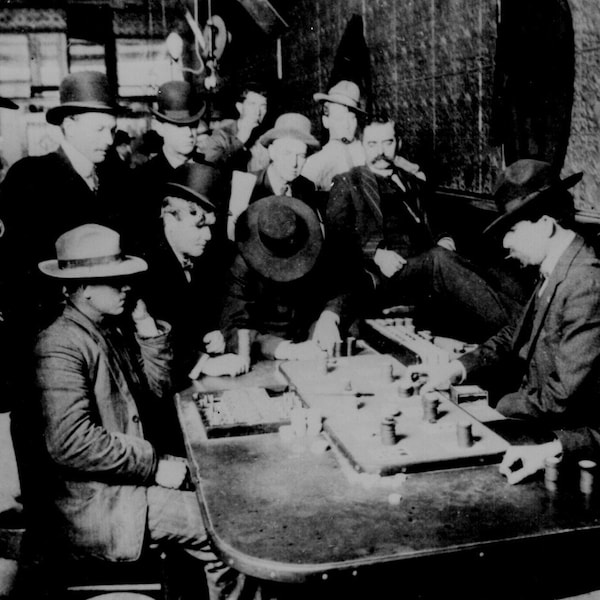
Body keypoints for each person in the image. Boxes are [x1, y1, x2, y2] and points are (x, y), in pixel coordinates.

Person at [11, 224, 251, 600]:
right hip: (94, 504)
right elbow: (71, 444)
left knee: (225, 496)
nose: (127, 287)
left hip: (123, 486)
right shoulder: (59, 345)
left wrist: (145, 326)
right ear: (83, 288)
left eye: (126, 278)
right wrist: (155, 465)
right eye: (115, 280)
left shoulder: (105, 329)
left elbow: (156, 390)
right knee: (227, 530)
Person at [417, 159, 600, 485]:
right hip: (538, 421)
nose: (505, 243)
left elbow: (561, 401)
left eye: (512, 230)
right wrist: (456, 368)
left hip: (566, 445)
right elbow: (515, 333)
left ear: (545, 225)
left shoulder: (585, 282)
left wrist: (496, 407)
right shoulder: (555, 266)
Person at [326, 112, 521, 342]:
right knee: (438, 260)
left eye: (387, 142)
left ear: (398, 142)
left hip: (425, 270)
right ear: (363, 146)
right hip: (384, 276)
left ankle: (531, 317)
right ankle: (521, 332)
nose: (380, 151)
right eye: (372, 144)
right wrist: (375, 253)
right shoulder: (348, 183)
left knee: (491, 267)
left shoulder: (413, 182)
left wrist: (445, 238)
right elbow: (337, 237)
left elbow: (438, 224)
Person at [0, 71, 133, 405]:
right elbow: (17, 269)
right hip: (46, 341)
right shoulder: (31, 177)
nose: (108, 139)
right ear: (69, 125)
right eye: (99, 129)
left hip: (105, 339)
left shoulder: (116, 180)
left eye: (112, 129)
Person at [141, 162, 249, 389]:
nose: (208, 236)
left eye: (210, 227)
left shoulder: (205, 260)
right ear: (170, 220)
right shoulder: (146, 268)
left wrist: (215, 336)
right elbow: (149, 342)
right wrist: (204, 362)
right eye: (199, 226)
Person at [221, 195, 347, 361]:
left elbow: (342, 288)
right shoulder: (242, 266)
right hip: (267, 358)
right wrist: (284, 349)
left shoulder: (310, 248)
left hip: (313, 347)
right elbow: (232, 330)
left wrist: (329, 317)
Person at [302, 80, 424, 191]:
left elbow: (400, 163)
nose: (347, 125)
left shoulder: (367, 147)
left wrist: (415, 173)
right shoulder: (315, 163)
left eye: (352, 118)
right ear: (325, 121)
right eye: (339, 119)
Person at [131, 80, 207, 246]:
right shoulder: (141, 180)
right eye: (180, 126)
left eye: (193, 124)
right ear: (159, 127)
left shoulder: (211, 172)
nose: (189, 133)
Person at [203, 83, 269, 174]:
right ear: (240, 107)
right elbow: (210, 171)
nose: (258, 112)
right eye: (252, 104)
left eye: (263, 106)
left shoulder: (268, 137)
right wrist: (239, 140)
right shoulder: (220, 136)